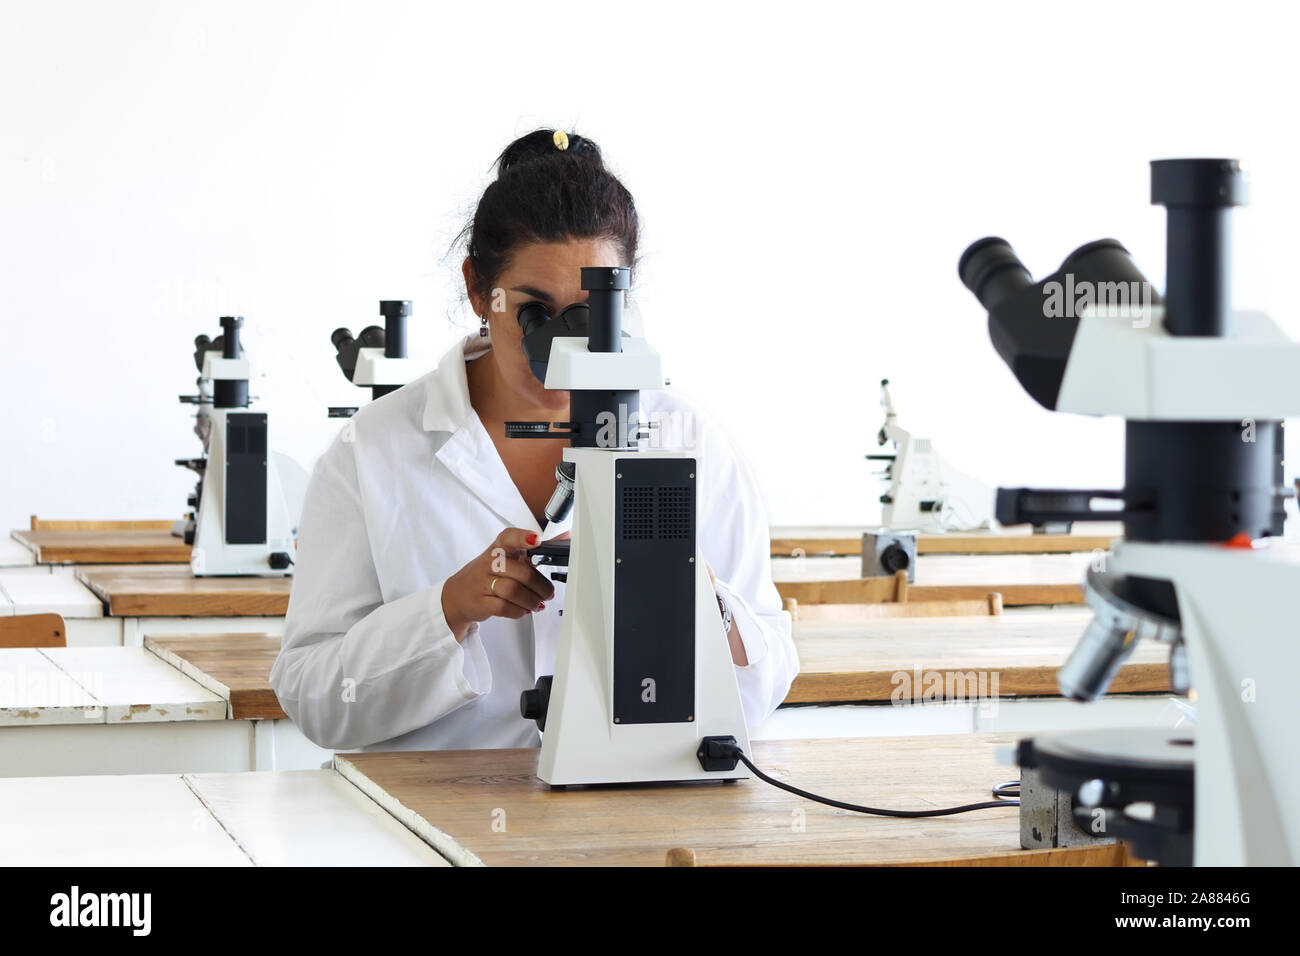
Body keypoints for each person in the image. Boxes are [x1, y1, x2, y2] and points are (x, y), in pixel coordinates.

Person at [271, 128, 798, 752]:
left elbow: (764, 685)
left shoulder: (687, 438)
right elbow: (313, 698)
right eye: (534, 311)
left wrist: (699, 597)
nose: (566, 347)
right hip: (435, 826)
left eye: (590, 314)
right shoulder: (371, 453)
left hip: (637, 819)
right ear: (477, 289)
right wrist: (448, 609)